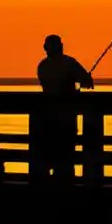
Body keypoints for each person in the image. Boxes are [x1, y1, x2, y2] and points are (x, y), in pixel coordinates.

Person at [35, 34, 93, 181]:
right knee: (67, 156)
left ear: (45, 48)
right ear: (60, 46)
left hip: (47, 118)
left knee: (50, 153)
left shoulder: (42, 66)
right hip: (67, 117)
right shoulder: (69, 63)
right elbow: (87, 82)